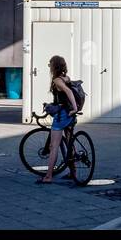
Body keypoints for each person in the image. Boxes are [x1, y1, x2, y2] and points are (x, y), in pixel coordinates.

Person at [36, 55, 77, 184]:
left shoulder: (57, 80)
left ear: (54, 66)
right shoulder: (67, 78)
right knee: (70, 143)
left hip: (63, 115)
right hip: (69, 115)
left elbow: (68, 92)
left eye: (50, 65)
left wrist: (74, 107)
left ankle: (48, 177)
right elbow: (63, 97)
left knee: (54, 146)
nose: (49, 67)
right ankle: (73, 172)